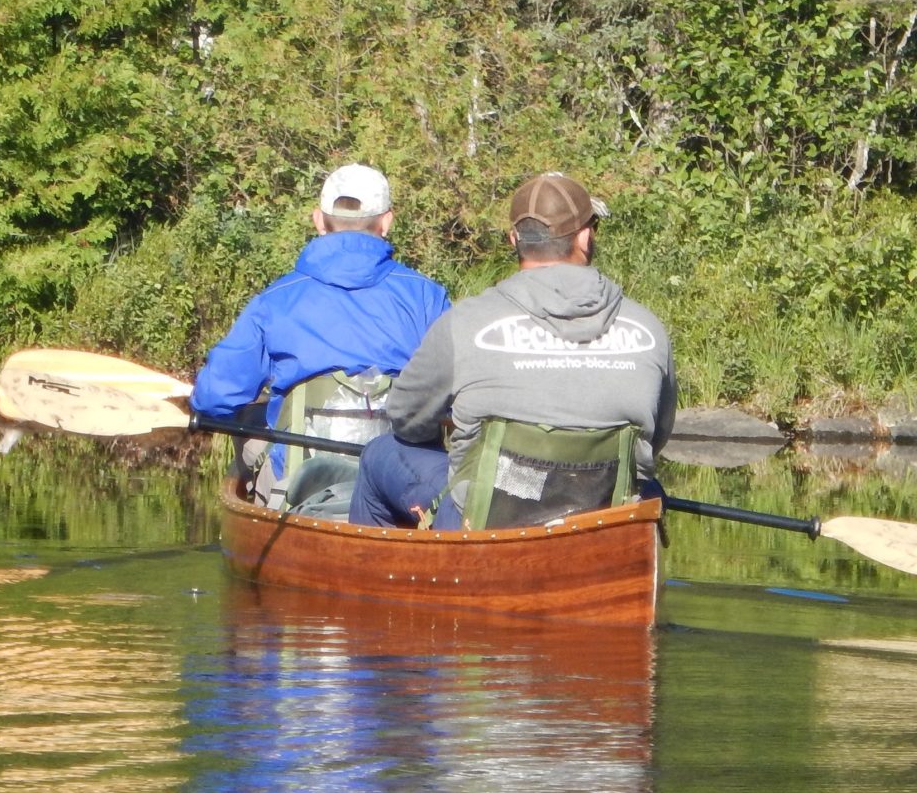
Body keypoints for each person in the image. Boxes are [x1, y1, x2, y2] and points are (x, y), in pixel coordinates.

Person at [349, 172, 676, 529]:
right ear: (584, 237)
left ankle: (383, 579)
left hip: (483, 525)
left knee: (379, 454)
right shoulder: (649, 330)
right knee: (649, 489)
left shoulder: (465, 323)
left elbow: (406, 419)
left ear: (514, 239)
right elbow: (655, 437)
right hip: (604, 526)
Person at [190, 163, 450, 500]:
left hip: (301, 479)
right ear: (386, 222)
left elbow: (215, 400)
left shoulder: (275, 300)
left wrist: (201, 400)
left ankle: (270, 506)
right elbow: (456, 397)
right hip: (402, 484)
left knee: (248, 421)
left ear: (318, 221)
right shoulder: (429, 298)